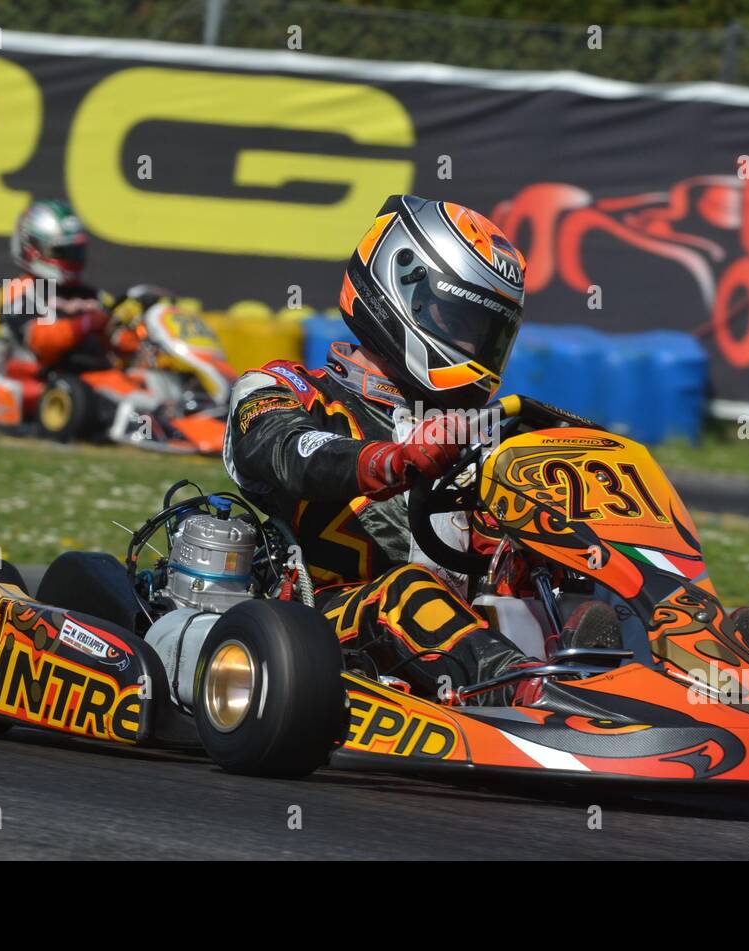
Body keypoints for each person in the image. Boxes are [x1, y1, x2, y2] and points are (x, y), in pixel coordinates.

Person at [224, 194, 532, 701]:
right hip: (316, 629)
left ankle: (629, 680)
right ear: (401, 287)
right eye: (462, 325)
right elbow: (289, 451)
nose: (475, 349)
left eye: (489, 336)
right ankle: (529, 697)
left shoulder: (479, 433)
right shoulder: (285, 388)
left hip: (458, 632)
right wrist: (396, 459)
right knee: (406, 594)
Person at [0, 199, 114, 375]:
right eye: (62, 252)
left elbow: (119, 344)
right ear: (33, 249)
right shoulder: (23, 288)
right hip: (39, 377)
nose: (71, 259)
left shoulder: (90, 294)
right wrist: (87, 324)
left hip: (92, 376)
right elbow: (39, 339)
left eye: (75, 252)